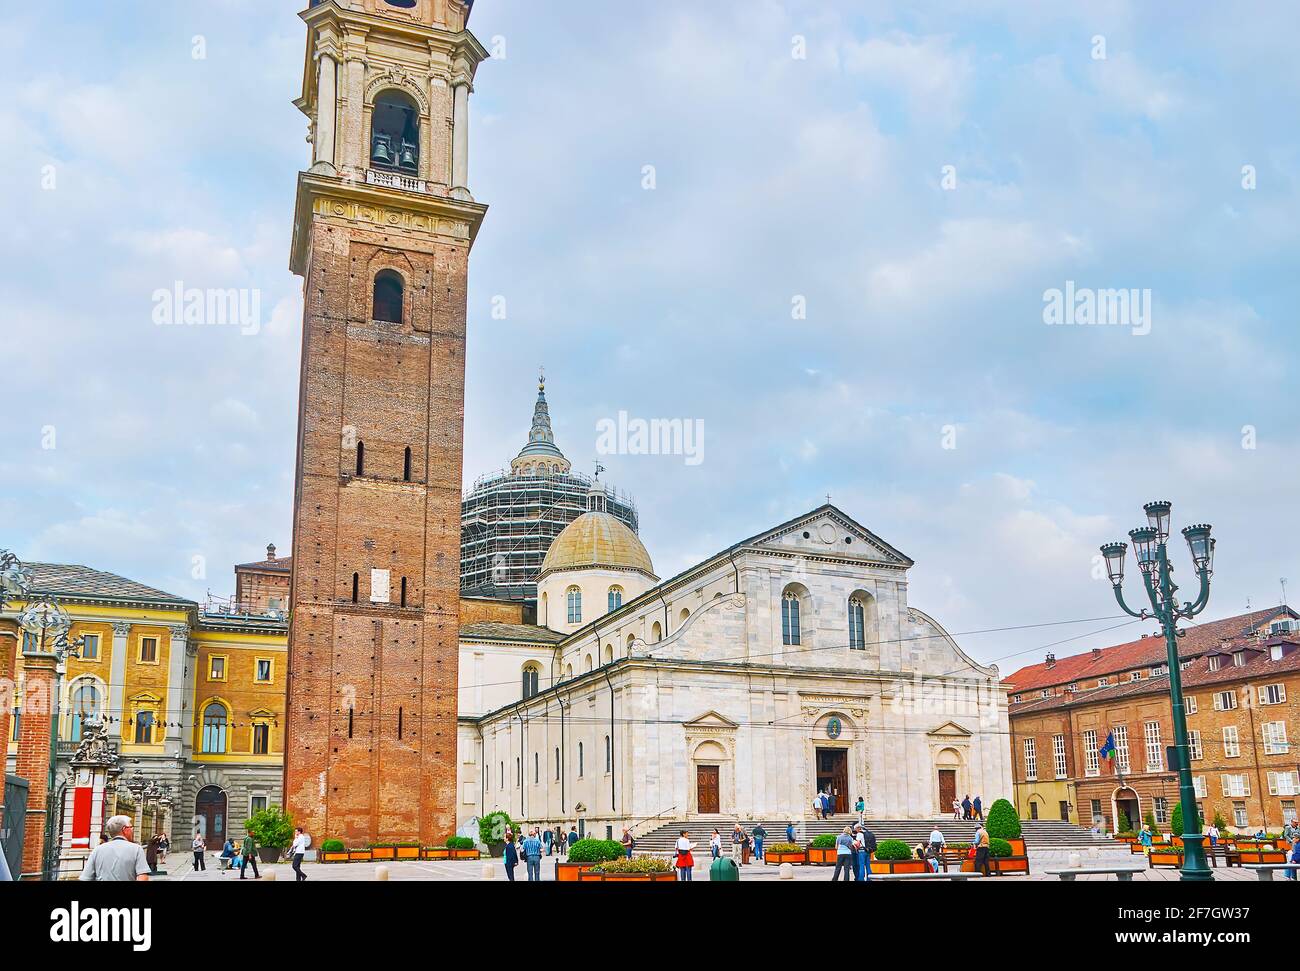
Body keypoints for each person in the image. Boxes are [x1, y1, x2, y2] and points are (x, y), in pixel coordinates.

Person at [79, 815, 151, 882]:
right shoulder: (136, 849)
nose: (132, 830)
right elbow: (143, 877)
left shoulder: (97, 850)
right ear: (124, 829)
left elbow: (86, 877)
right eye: (131, 827)